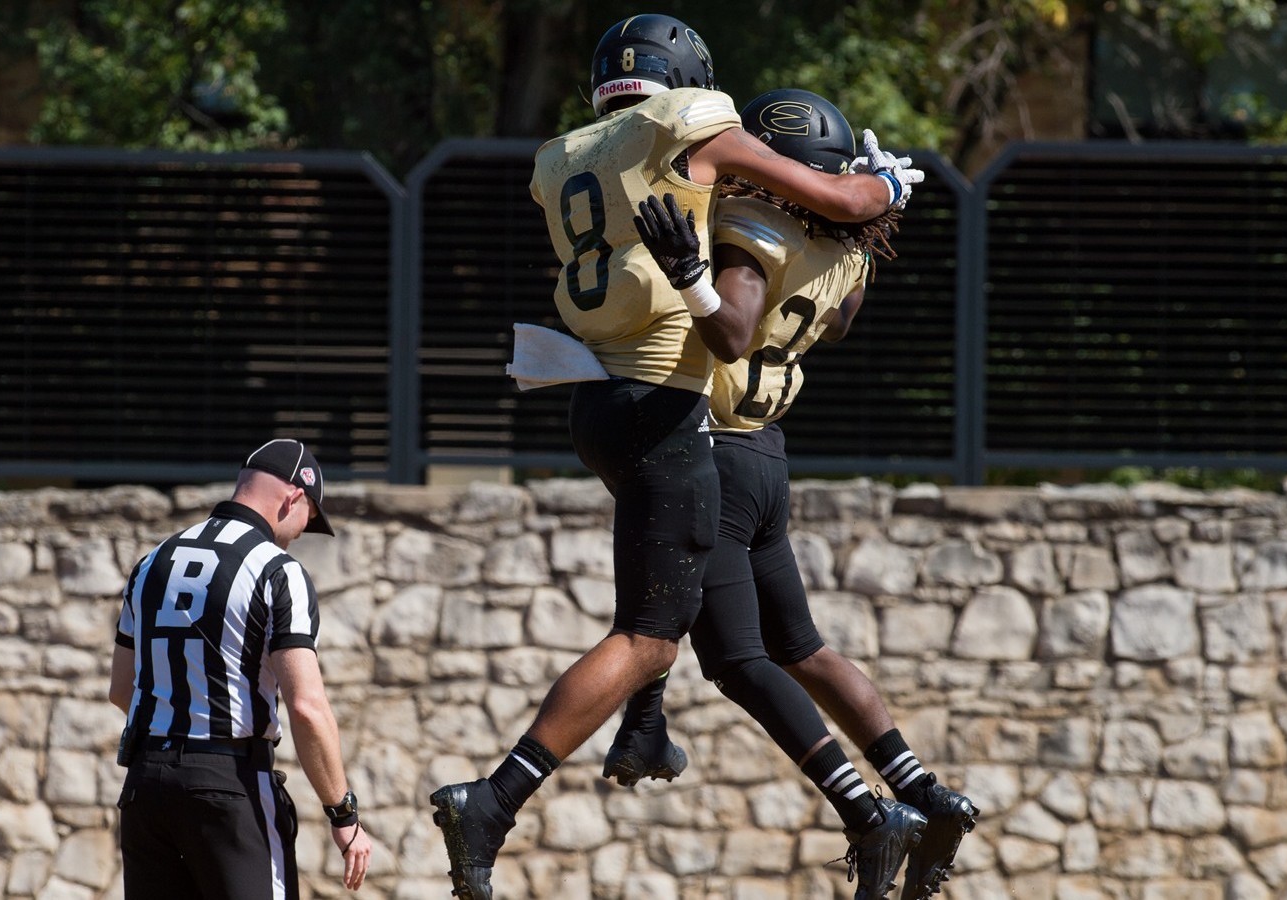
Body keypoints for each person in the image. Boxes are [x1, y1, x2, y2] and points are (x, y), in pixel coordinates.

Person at [430, 14, 926, 900]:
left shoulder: (559, 156)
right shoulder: (687, 120)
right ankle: (495, 800)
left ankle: (655, 736)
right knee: (652, 635)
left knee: (677, 600)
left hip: (596, 392)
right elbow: (837, 205)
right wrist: (881, 188)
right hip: (668, 400)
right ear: (688, 75)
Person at [612, 89, 977, 900]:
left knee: (739, 660)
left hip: (723, 452)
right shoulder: (846, 249)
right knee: (804, 647)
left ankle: (865, 810)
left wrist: (692, 279)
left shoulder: (754, 231)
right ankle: (925, 793)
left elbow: (733, 327)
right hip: (771, 455)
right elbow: (839, 322)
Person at [108, 439, 372, 899]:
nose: (293, 537)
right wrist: (343, 815)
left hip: (146, 786)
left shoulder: (152, 563)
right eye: (305, 521)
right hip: (229, 787)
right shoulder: (277, 570)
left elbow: (121, 688)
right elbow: (307, 707)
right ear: (293, 496)